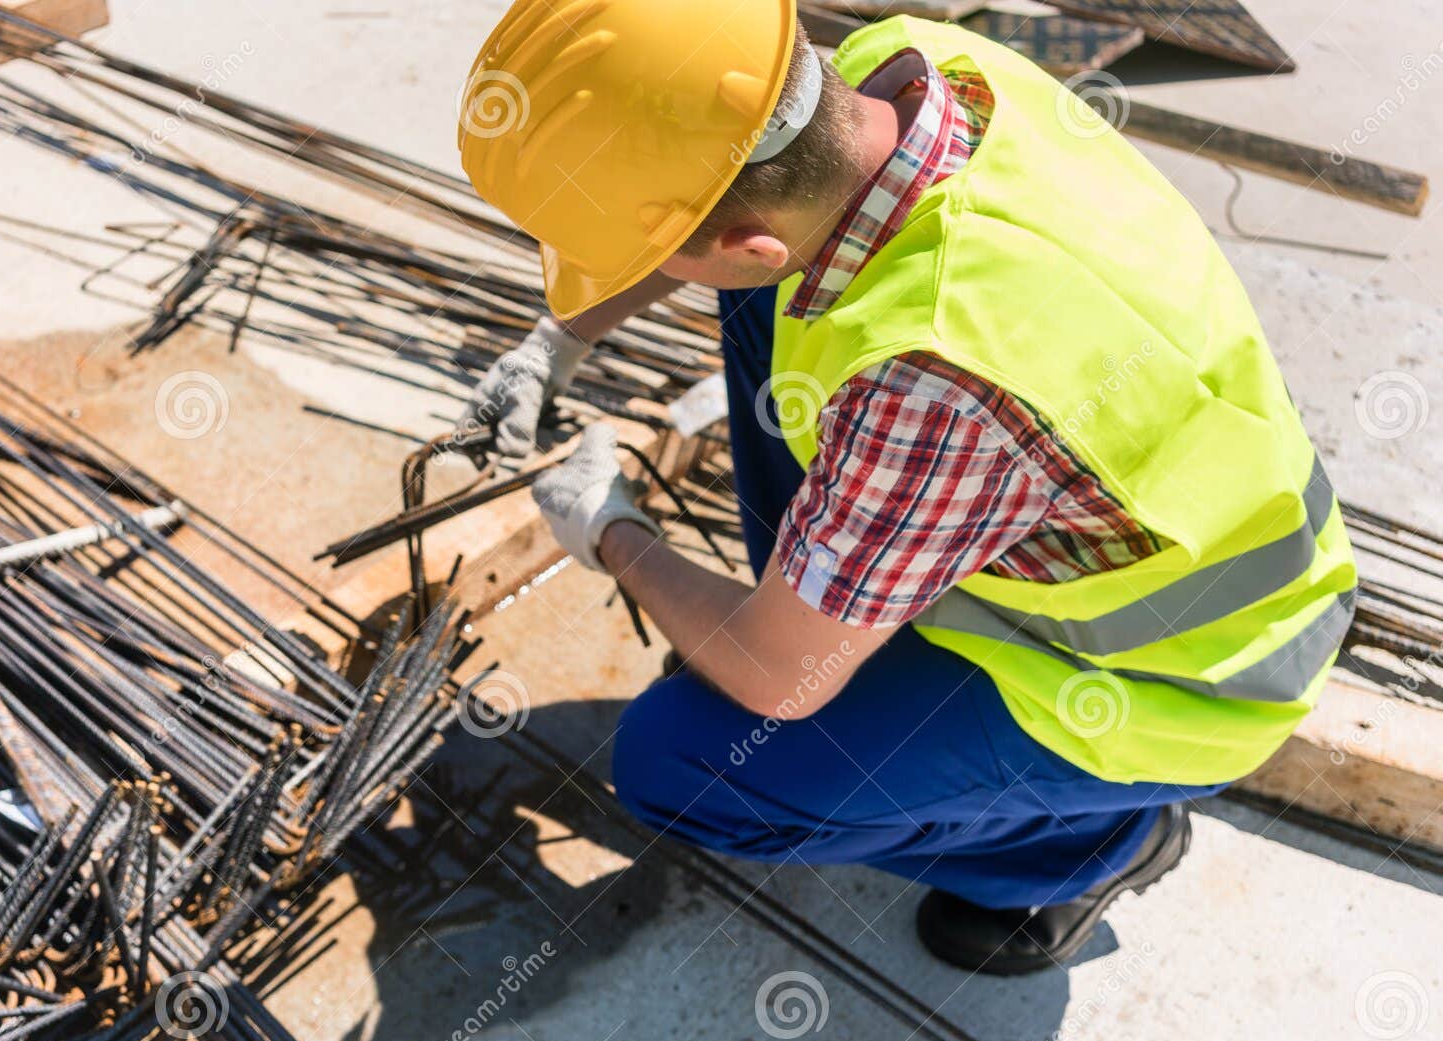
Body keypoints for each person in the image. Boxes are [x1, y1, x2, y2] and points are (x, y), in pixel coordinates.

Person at [454, 0, 1356, 975]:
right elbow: (742, 198)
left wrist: (612, 532)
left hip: (1173, 681)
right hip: (1141, 506)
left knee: (679, 758)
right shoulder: (920, 67)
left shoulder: (936, 377)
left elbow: (769, 678)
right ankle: (825, 610)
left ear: (747, 237)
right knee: (767, 311)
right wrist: (564, 337)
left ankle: (1096, 845)